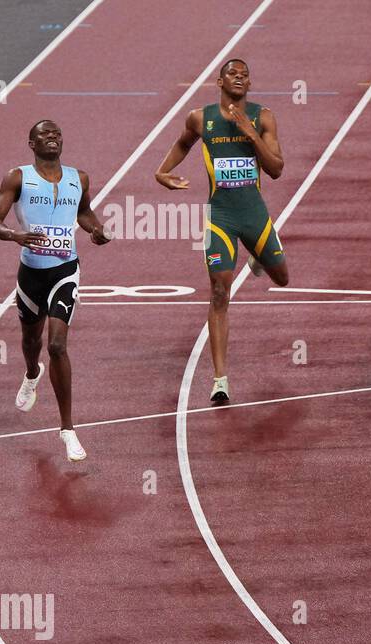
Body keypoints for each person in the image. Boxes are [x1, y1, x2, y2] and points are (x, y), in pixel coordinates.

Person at [155, 58, 290, 402]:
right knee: (219, 290)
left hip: (253, 213)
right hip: (221, 216)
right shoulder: (201, 118)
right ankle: (220, 380)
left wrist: (251, 135)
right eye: (233, 73)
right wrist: (163, 171)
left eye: (245, 75)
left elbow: (275, 169)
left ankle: (258, 259)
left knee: (282, 278)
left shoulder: (264, 117)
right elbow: (184, 142)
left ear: (250, 84)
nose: (239, 78)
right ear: (219, 81)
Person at [0, 119, 110, 461]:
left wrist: (96, 230)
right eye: (44, 134)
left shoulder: (78, 177)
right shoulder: (17, 176)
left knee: (57, 345)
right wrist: (15, 235)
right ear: (32, 143)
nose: (52, 137)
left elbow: (84, 212)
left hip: (65, 271)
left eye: (57, 133)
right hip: (31, 274)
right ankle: (31, 373)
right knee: (31, 341)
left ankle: (68, 429)